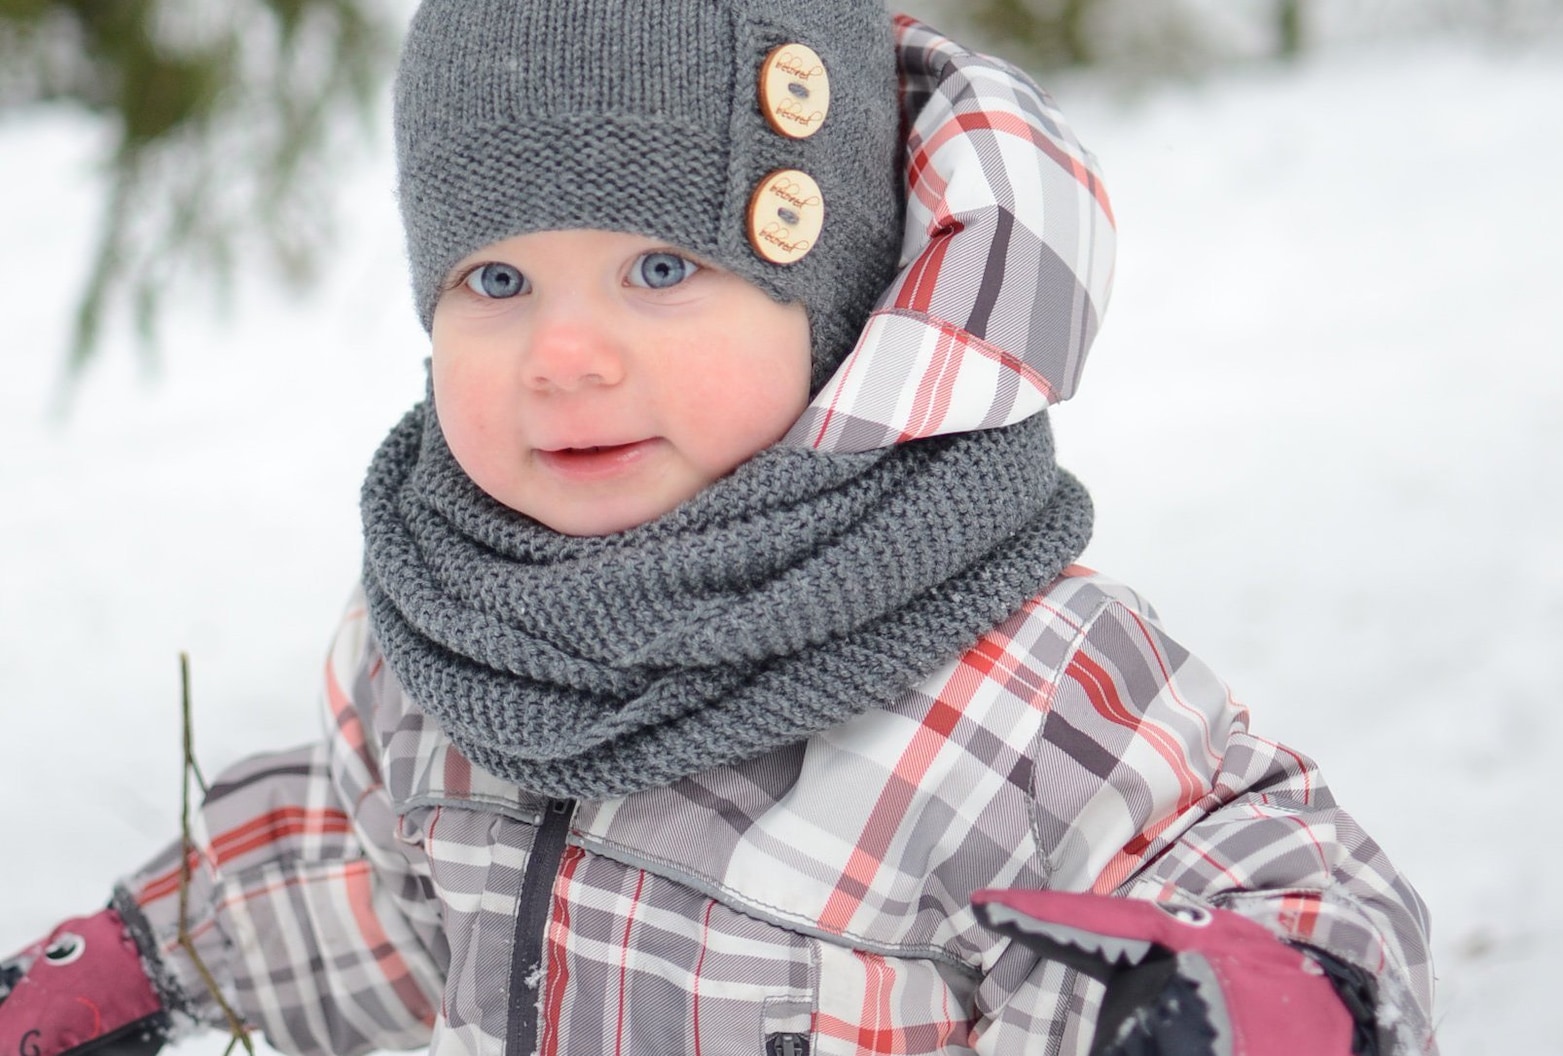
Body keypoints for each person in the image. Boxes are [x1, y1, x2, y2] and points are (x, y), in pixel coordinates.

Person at [0, 3, 1438, 1055]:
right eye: (497, 282)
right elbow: (365, 873)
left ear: (832, 306)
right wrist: (148, 959)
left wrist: (1256, 999)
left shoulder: (1002, 666)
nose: (564, 355)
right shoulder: (454, 627)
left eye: (659, 266)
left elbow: (1264, 867)